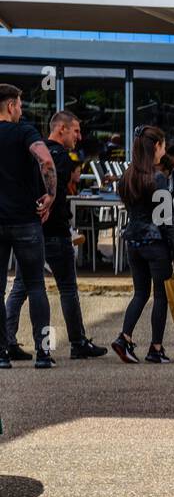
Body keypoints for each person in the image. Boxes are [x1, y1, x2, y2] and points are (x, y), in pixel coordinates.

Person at [5, 110, 107, 362]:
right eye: (75, 131)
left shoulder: (30, 152)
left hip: (30, 227)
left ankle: (7, 342)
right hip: (53, 232)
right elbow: (54, 173)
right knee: (67, 288)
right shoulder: (58, 156)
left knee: (20, 288)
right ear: (61, 128)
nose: (79, 137)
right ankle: (75, 342)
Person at [112, 126, 174, 365]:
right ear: (156, 147)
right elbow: (167, 219)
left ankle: (125, 337)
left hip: (133, 241)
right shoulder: (158, 178)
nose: (164, 150)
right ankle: (156, 347)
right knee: (161, 296)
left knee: (140, 293)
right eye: (163, 145)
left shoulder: (127, 176)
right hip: (155, 243)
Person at [0, 83, 57, 370]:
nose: (21, 110)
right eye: (20, 104)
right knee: (36, 286)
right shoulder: (24, 131)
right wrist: (51, 195)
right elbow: (45, 159)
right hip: (25, 219)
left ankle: (1, 354)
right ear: (11, 106)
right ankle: (43, 354)